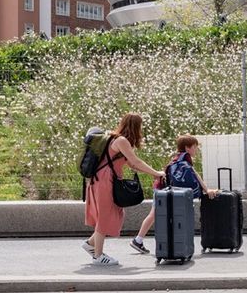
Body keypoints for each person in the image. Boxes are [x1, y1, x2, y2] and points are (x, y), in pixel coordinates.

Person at [82, 112, 164, 267]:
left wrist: (152, 173)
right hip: (105, 180)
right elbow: (136, 162)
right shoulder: (121, 140)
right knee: (105, 216)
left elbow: (132, 164)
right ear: (135, 127)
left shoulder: (116, 139)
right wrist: (156, 173)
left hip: (103, 179)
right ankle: (98, 256)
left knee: (114, 213)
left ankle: (90, 244)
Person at [130, 134, 224, 255]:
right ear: (187, 147)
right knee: (153, 214)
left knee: (154, 215)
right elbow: (195, 175)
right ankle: (138, 240)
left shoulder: (177, 158)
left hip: (162, 190)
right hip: (164, 192)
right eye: (195, 147)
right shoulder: (185, 160)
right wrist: (206, 190)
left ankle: (139, 240)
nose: (196, 149)